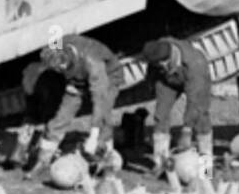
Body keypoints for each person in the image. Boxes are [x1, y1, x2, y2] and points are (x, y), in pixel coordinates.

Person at [23, 34, 123, 181]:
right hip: (77, 79)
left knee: (103, 118)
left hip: (108, 77)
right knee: (60, 117)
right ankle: (43, 161)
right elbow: (46, 52)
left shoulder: (93, 62)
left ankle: (107, 162)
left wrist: (93, 136)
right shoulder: (57, 47)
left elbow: (99, 100)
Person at [140, 37, 213, 169]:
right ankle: (161, 165)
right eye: (157, 65)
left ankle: (206, 169)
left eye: (163, 63)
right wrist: (150, 82)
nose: (161, 66)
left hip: (192, 78)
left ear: (171, 56)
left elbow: (194, 102)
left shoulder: (196, 65)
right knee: (160, 115)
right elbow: (152, 70)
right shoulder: (158, 49)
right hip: (167, 80)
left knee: (201, 118)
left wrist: (186, 130)